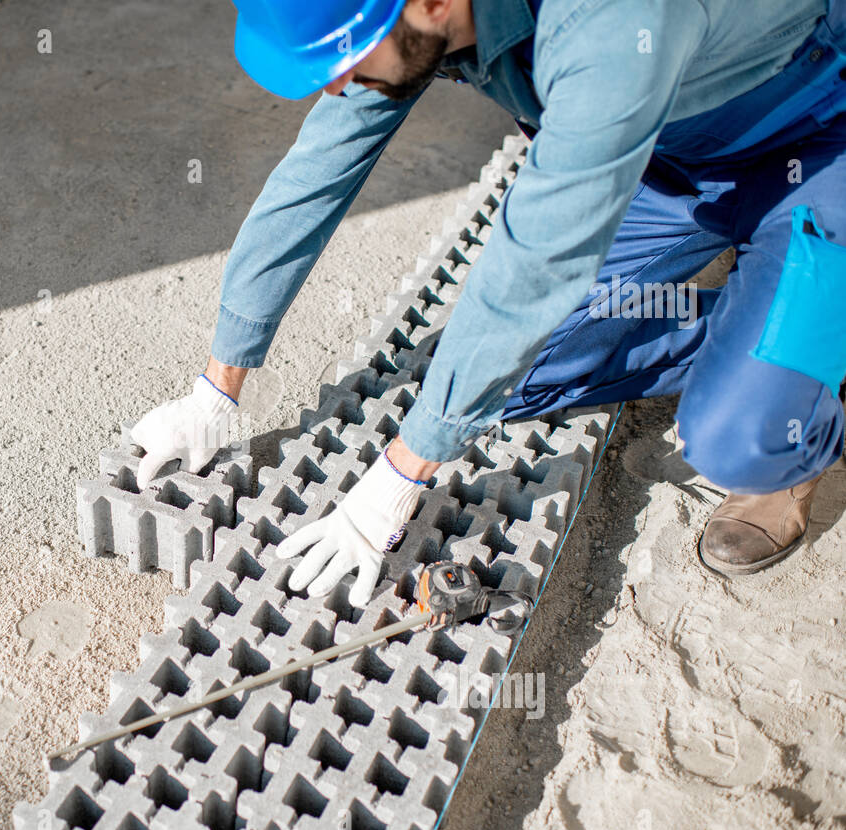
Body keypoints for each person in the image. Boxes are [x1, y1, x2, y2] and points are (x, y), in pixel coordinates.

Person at [132, 0, 846, 607]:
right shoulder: (416, 21)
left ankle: (794, 385)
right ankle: (774, 332)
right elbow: (319, 168)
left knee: (738, 437)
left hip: (813, 142)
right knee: (506, 374)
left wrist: (402, 473)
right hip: (664, 159)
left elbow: (539, 261)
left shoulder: (609, 23)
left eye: (345, 58)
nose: (342, 83)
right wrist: (217, 390)